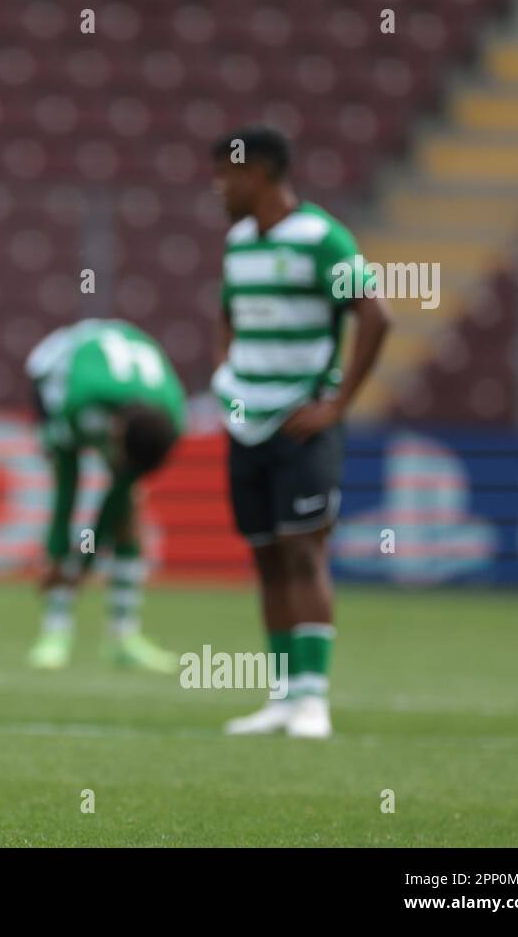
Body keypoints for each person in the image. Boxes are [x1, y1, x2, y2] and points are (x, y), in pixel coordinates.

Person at [209, 126, 390, 739]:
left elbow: (375, 312)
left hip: (301, 419)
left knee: (305, 551)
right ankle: (283, 696)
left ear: (256, 174)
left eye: (225, 175)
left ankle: (314, 699)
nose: (219, 188)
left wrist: (339, 404)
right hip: (247, 419)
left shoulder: (321, 238)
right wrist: (224, 373)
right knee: (265, 556)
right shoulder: (238, 242)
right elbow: (227, 314)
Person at [24, 319, 186, 672]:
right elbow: (68, 489)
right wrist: (62, 559)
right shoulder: (79, 402)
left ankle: (123, 636)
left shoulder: (172, 418)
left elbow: (114, 499)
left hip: (111, 372)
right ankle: (55, 631)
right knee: (67, 493)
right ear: (116, 430)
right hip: (55, 369)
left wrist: (83, 565)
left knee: (128, 508)